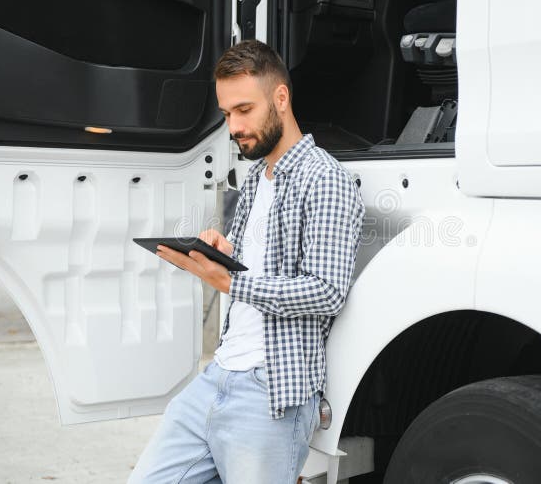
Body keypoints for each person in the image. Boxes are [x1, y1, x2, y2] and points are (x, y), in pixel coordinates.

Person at [128, 39, 366, 484]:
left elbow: (327, 291)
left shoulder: (326, 179)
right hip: (217, 377)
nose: (234, 126)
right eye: (226, 115)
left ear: (280, 98)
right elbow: (259, 257)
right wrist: (224, 249)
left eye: (243, 110)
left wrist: (229, 282)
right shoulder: (258, 177)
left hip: (269, 392)